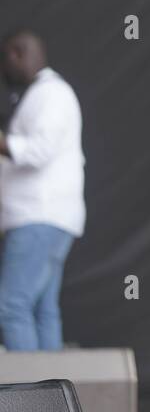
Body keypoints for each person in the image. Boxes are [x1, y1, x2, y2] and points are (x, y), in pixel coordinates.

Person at [0, 29, 86, 350]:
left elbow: (39, 150)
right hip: (46, 218)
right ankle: (51, 398)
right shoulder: (46, 93)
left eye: (4, 59)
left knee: (11, 306)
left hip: (38, 217)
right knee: (41, 310)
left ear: (16, 54)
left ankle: (28, 399)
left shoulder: (50, 94)